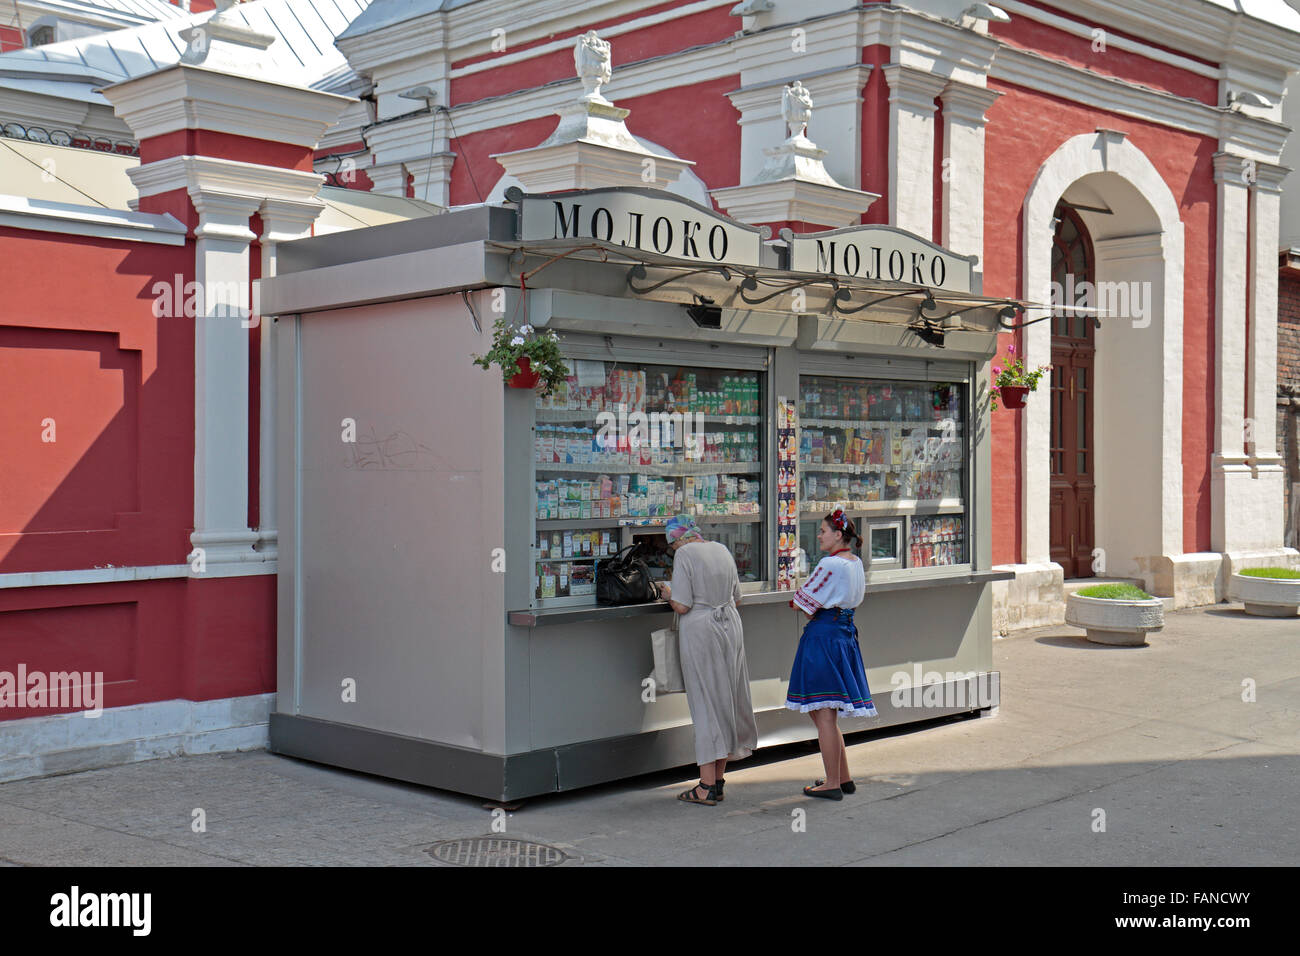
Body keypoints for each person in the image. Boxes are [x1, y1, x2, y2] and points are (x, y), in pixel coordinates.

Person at [655, 514, 758, 806]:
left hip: (701, 631)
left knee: (705, 703)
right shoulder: (721, 550)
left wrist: (667, 594)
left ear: (678, 539)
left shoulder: (685, 554)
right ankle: (719, 782)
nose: (674, 549)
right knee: (727, 700)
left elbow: (683, 606)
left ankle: (705, 786)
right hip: (730, 626)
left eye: (671, 544)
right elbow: (736, 597)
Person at [785, 509, 877, 800]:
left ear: (838, 535)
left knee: (822, 713)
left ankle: (832, 783)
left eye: (824, 531)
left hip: (823, 636)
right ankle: (843, 778)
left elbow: (800, 603)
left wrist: (800, 601)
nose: (820, 535)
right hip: (844, 634)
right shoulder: (855, 563)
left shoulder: (830, 564)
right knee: (830, 713)